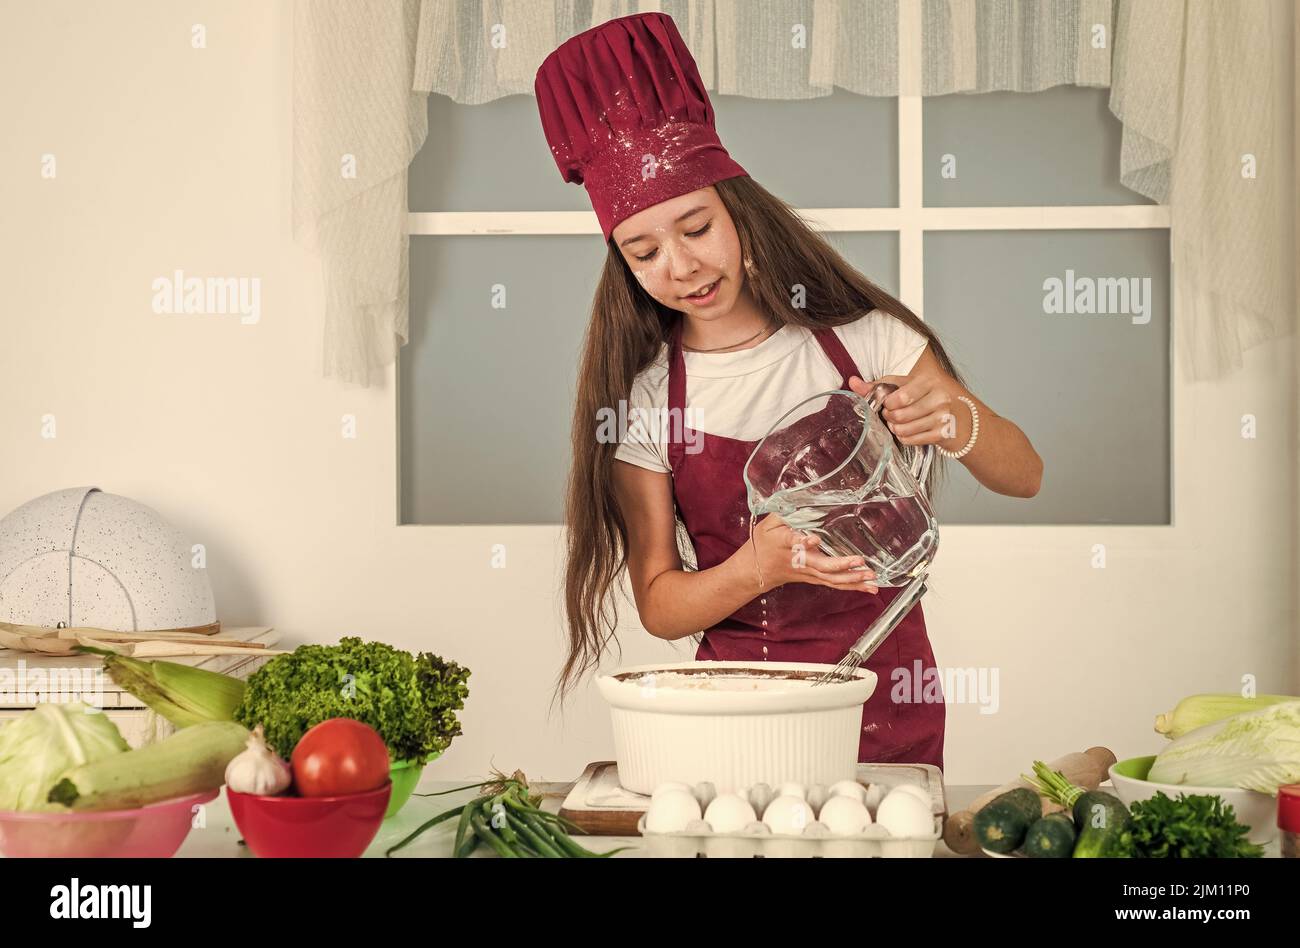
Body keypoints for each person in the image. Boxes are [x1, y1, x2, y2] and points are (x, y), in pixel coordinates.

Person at [535, 12, 1042, 769]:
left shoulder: (867, 338)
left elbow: (1026, 475)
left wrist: (955, 419)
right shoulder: (645, 402)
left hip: (885, 699)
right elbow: (659, 603)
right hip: (736, 708)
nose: (680, 267)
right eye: (644, 251)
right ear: (625, 264)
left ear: (738, 210)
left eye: (696, 227)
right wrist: (757, 567)